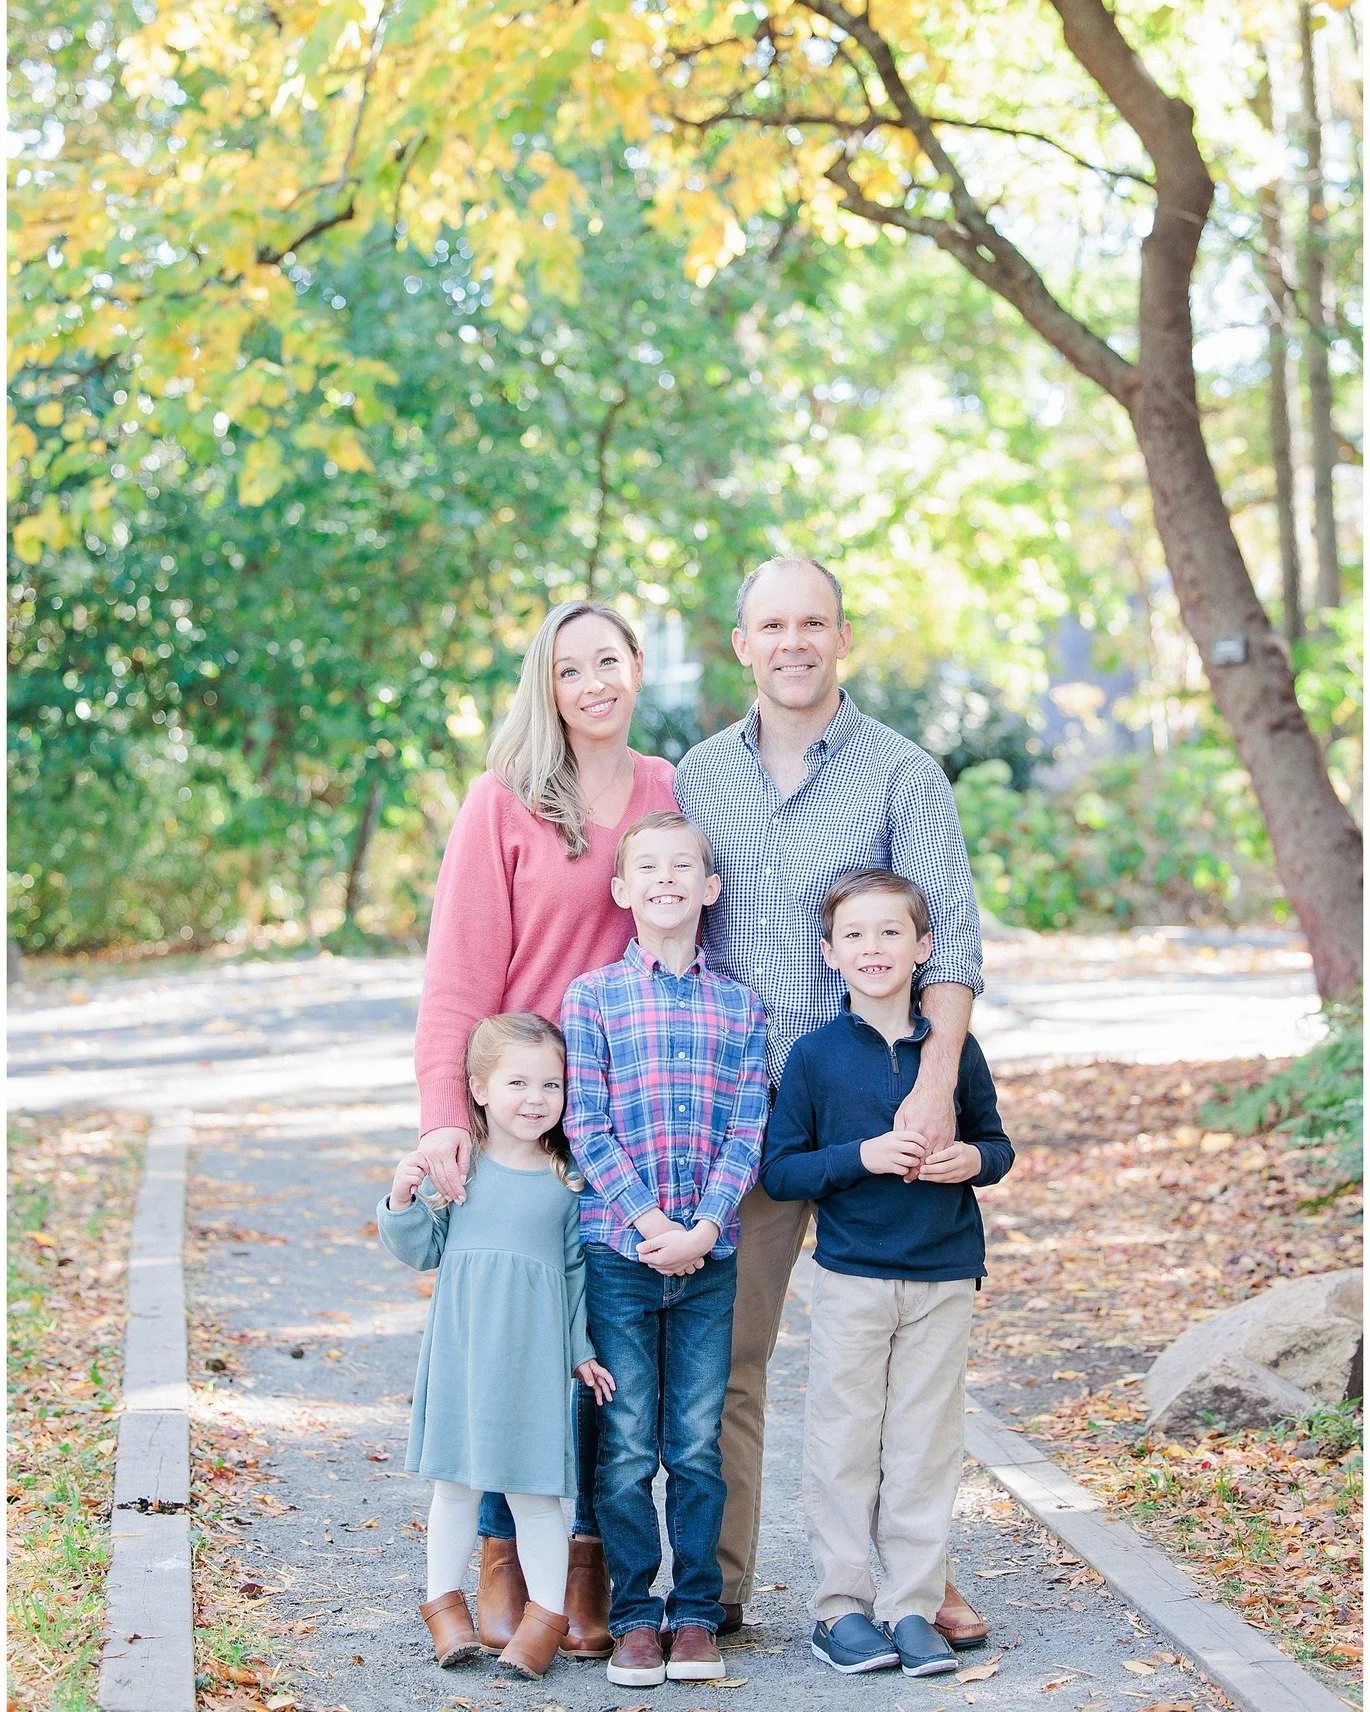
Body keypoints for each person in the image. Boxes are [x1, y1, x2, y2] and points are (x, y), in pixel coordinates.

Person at [674, 555, 991, 1648]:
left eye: (813, 622)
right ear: (741, 643)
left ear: (840, 636)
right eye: (772, 623)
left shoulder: (902, 771)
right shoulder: (696, 777)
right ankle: (716, 1588)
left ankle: (914, 1585)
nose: (792, 641)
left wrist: (939, 1088)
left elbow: (948, 925)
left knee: (902, 1370)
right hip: (746, 1124)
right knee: (733, 1364)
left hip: (886, 1118)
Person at [412, 599, 676, 1656]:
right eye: (570, 669)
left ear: (636, 668)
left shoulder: (670, 787)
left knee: (602, 1346)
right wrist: (447, 1120)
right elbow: (456, 975)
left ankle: (585, 1559)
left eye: (607, 661)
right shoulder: (502, 800)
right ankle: (497, 1560)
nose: (592, 684)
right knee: (508, 1344)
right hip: (527, 1109)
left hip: (627, 1114)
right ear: (548, 685)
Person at [760, 870, 1014, 1676]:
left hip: (943, 1274)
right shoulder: (814, 1057)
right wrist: (861, 1157)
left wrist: (969, 1158)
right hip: (854, 1277)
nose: (874, 948)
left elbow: (998, 1147)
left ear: (924, 948)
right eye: (856, 936)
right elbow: (783, 1172)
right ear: (829, 955)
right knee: (842, 1436)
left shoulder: (954, 1050)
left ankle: (912, 1604)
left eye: (891, 933)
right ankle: (840, 1609)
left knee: (924, 1443)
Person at [561, 811, 769, 1689]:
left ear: (710, 889)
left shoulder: (740, 1005)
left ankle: (694, 1615)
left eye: (685, 866)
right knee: (625, 1443)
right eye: (647, 867)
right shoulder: (592, 998)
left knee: (693, 1442)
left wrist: (708, 1227)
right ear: (621, 891)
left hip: (710, 1259)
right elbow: (587, 1125)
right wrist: (652, 1224)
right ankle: (634, 1614)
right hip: (620, 1252)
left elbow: (747, 1126)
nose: (667, 879)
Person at [378, 1013, 617, 1680]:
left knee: (537, 1495)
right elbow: (421, 1249)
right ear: (479, 1089)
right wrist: (401, 1198)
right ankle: (444, 1610)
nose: (536, 1098)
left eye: (552, 1084)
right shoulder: (462, 1170)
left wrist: (580, 1349)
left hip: (535, 1360)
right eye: (518, 1082)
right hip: (464, 1353)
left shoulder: (567, 1181)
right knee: (454, 1485)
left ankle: (545, 1618)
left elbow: (574, 1274)